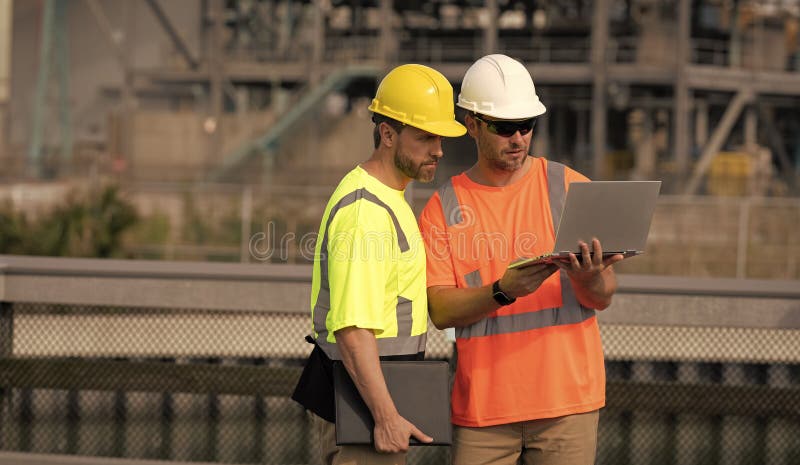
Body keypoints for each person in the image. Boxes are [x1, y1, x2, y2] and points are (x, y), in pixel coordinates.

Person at [418, 54, 623, 465]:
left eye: (527, 125)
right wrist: (500, 292)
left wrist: (591, 277)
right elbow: (439, 309)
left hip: (568, 406)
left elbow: (602, 298)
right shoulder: (443, 208)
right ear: (472, 124)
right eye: (505, 127)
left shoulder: (569, 187)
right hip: (483, 413)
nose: (519, 138)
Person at [291, 63, 466, 465]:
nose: (438, 149)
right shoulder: (365, 212)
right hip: (366, 415)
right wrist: (386, 417)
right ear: (387, 134)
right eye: (425, 137)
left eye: (439, 137)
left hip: (372, 406)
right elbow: (352, 329)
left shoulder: (390, 196)